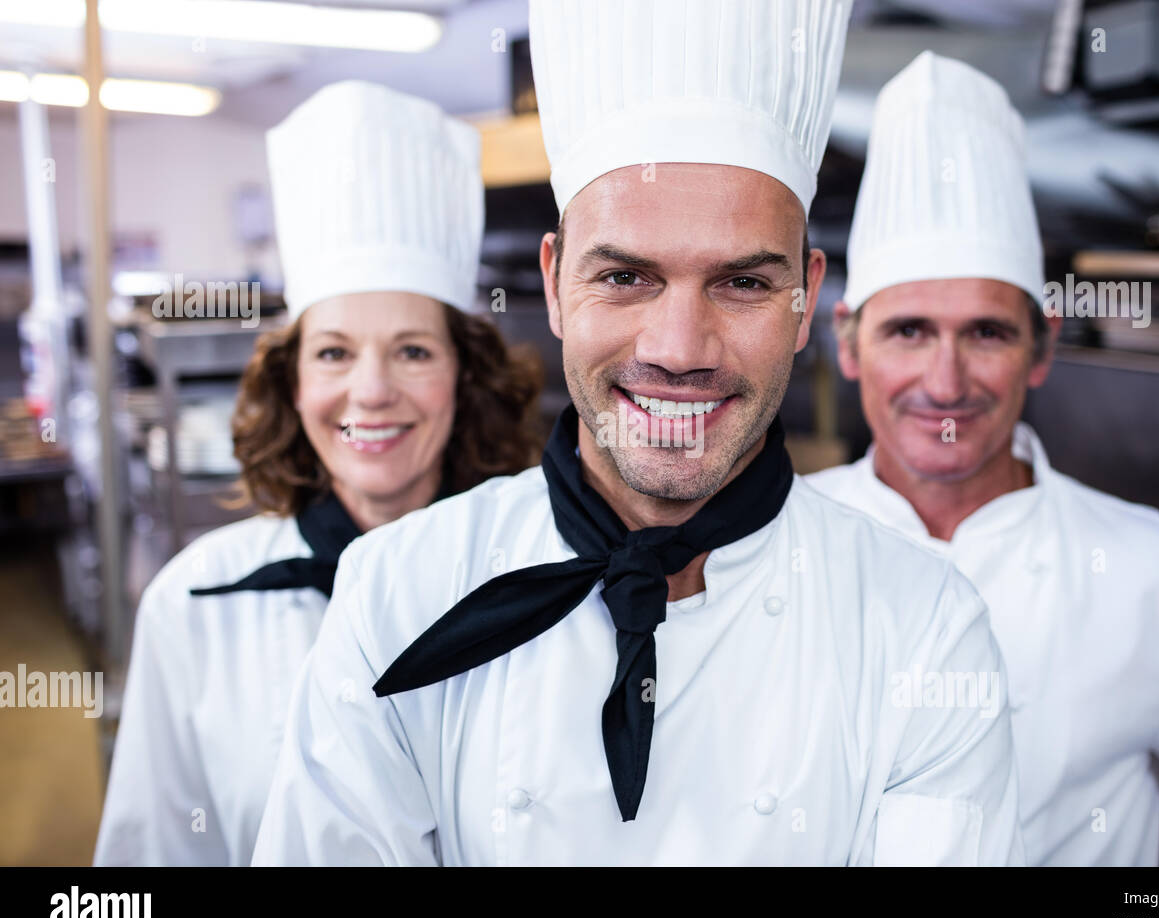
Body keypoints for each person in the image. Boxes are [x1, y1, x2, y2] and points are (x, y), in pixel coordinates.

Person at [252, 0, 1023, 867]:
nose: (678, 350)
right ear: (552, 283)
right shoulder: (393, 594)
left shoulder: (924, 625)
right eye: (624, 276)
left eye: (741, 283)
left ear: (808, 296)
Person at [806, 50, 1159, 866]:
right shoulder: (757, 555)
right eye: (909, 331)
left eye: (987, 333)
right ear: (848, 342)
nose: (946, 380)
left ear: (1042, 348)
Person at [94, 81, 542, 866]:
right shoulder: (193, 606)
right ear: (292, 382)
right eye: (334, 352)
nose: (370, 391)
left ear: (463, 378)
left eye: (412, 351)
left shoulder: (546, 585)